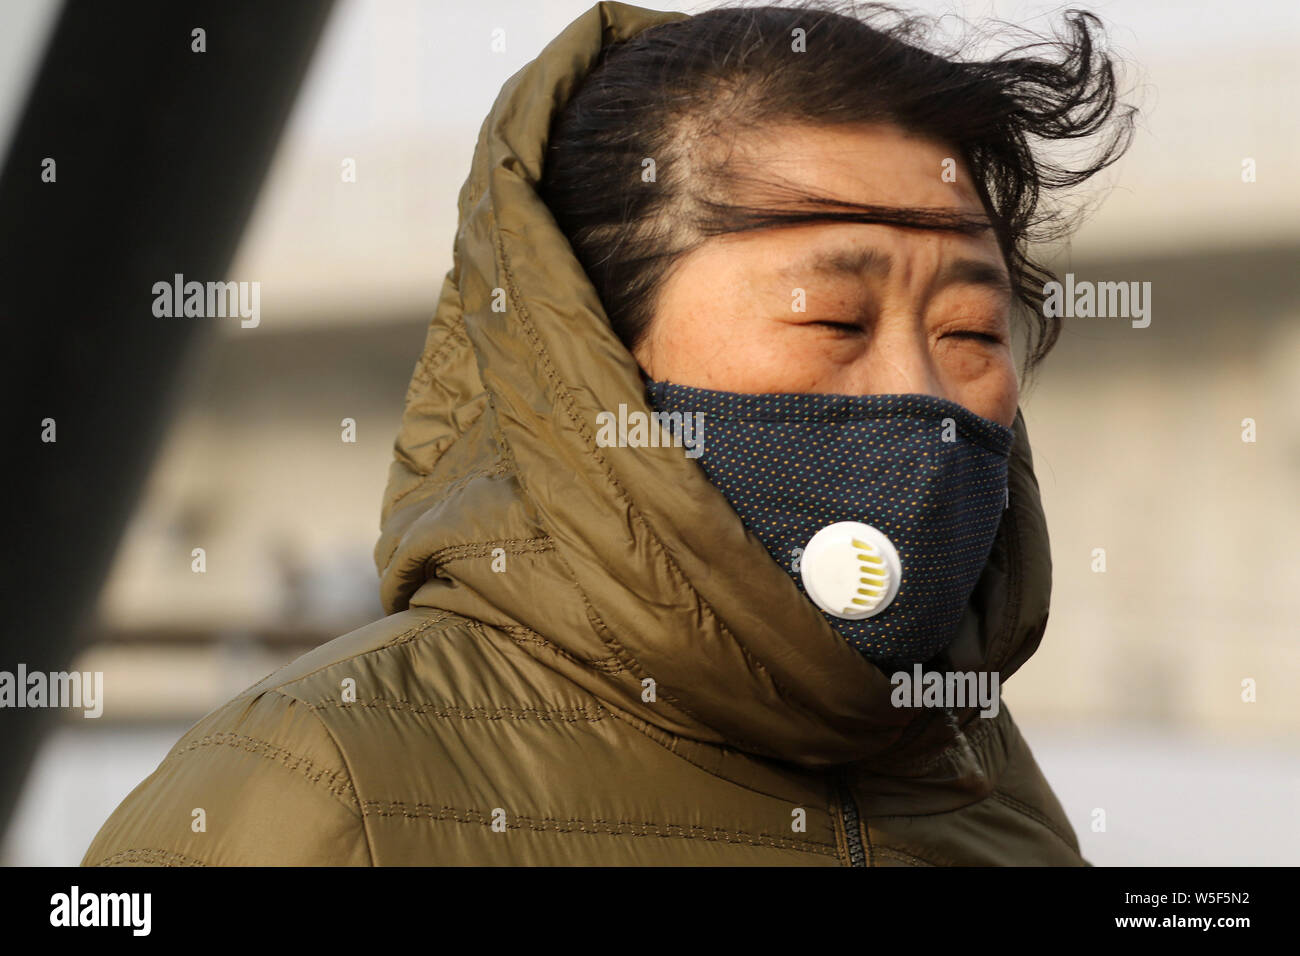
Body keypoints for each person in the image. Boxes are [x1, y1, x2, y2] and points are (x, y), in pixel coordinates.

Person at [83, 0, 1134, 866]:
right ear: (592, 344)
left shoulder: (993, 797)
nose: (920, 394)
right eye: (830, 319)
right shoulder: (318, 788)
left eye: (969, 331)